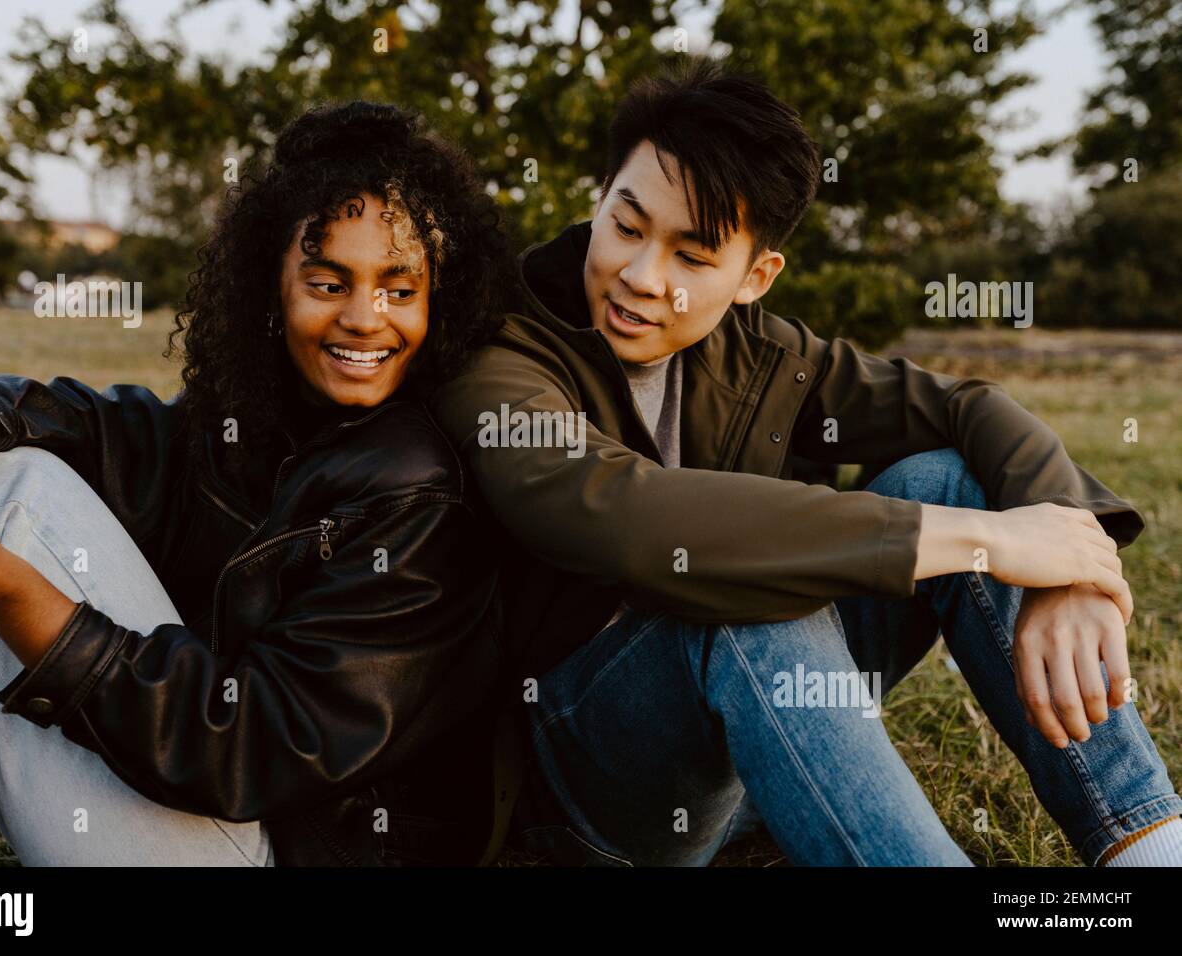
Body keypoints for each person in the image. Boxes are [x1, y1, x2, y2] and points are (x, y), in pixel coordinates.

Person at [429, 57, 1182, 866]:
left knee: (948, 478)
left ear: (756, 276)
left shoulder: (762, 354)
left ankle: (1149, 849)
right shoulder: (501, 340)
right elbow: (619, 512)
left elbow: (968, 406)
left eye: (693, 255)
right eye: (627, 224)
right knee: (736, 590)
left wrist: (1070, 567)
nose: (642, 277)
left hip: (754, 747)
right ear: (600, 196)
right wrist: (981, 539)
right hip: (589, 788)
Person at [0, 101, 513, 866]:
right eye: (327, 282)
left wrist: (15, 596)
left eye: (399, 289)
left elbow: (252, 750)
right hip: (195, 830)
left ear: (437, 300)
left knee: (4, 500)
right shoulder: (247, 423)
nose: (363, 317)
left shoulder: (419, 495)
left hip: (286, 853)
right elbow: (98, 427)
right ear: (270, 292)